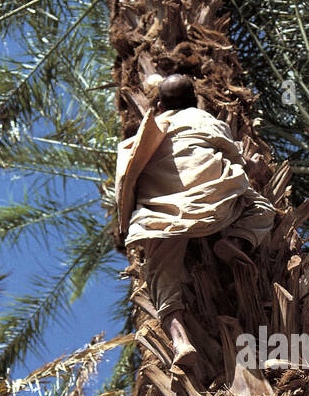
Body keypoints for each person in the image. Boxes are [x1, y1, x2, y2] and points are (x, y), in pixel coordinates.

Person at [115, 74, 275, 368]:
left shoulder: (140, 139)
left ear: (159, 105)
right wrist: (256, 166)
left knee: (160, 274)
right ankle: (234, 241)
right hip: (212, 206)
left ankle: (180, 341)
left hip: (161, 216)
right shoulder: (205, 120)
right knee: (262, 209)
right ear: (195, 100)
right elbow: (240, 162)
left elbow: (126, 182)